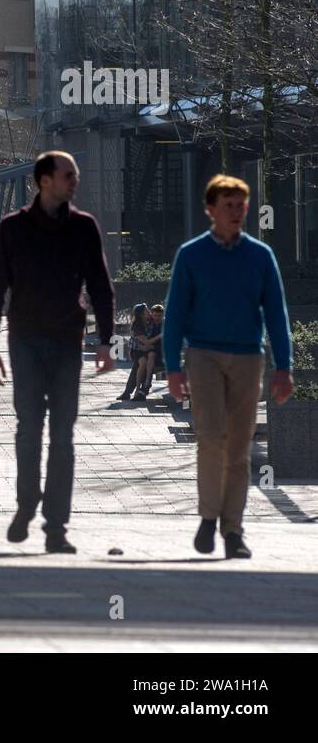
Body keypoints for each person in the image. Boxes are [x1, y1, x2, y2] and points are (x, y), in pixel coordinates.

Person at [0, 150, 116, 553]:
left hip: (65, 343)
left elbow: (100, 287)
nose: (74, 181)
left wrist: (106, 341)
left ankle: (56, 526)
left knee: (63, 436)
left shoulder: (83, 228)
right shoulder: (12, 229)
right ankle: (26, 504)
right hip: (24, 340)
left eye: (75, 175)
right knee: (28, 428)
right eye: (67, 175)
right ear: (45, 181)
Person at [164, 175, 293, 559]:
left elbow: (276, 313)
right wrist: (173, 368)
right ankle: (207, 518)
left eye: (241, 206)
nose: (237, 212)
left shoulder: (260, 256)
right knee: (211, 438)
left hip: (248, 358)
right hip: (202, 356)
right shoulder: (191, 255)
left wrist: (284, 367)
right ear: (211, 210)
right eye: (229, 206)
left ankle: (233, 530)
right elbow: (174, 316)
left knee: (239, 448)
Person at [118, 303, 157, 401]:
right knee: (141, 363)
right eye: (146, 311)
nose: (149, 312)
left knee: (142, 364)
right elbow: (146, 341)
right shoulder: (137, 326)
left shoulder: (152, 321)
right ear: (141, 314)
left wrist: (150, 346)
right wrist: (160, 336)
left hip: (147, 350)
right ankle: (140, 390)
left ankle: (133, 391)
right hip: (136, 351)